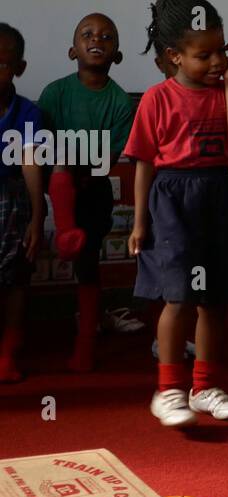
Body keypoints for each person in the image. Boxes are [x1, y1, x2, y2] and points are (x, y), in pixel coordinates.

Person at [126, 0, 228, 428]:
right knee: (179, 296)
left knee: (215, 300)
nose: (217, 61)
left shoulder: (225, 93)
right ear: (174, 57)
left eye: (222, 51)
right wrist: (140, 222)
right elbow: (144, 162)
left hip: (217, 193)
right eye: (205, 55)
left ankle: (203, 388)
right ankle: (168, 391)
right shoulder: (156, 99)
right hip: (173, 199)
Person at [37, 13, 134, 372]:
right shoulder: (55, 93)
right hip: (59, 185)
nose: (98, 39)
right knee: (60, 158)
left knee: (89, 264)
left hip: (92, 188)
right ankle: (64, 232)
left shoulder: (121, 102)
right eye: (88, 34)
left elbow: (102, 159)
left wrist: (76, 160)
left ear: (118, 55)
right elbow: (41, 147)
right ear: (71, 49)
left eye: (108, 36)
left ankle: (86, 340)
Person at [0, 23, 46, 384]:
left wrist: (36, 216)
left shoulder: (27, 113)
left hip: (13, 201)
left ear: (19, 68)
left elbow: (31, 165)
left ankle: (8, 353)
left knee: (16, 277)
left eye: (4, 63)